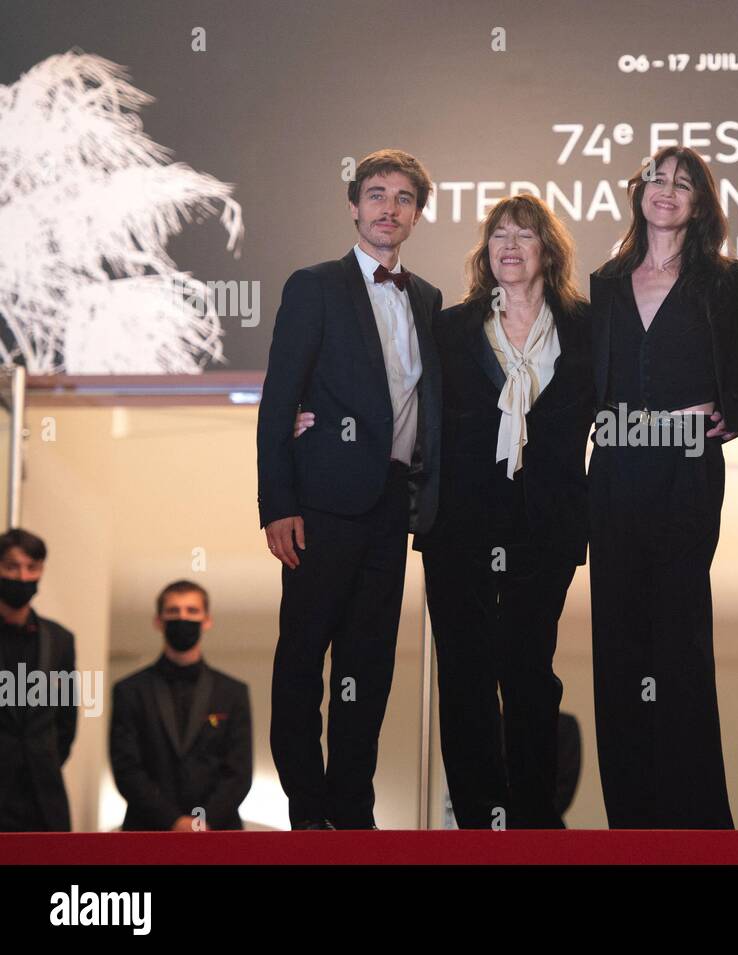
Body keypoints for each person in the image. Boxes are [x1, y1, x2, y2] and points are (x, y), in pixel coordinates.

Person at [353, 193, 589, 829]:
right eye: (499, 236)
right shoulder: (452, 328)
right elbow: (397, 390)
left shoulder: (585, 326)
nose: (509, 246)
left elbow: (629, 397)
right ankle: (482, 822)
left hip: (547, 526)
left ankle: (536, 822)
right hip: (459, 526)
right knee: (464, 673)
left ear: (549, 250)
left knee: (528, 668)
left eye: (524, 235)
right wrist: (315, 416)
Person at [256, 148, 442, 830]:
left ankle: (351, 807)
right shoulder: (315, 285)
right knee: (304, 657)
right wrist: (277, 503)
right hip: (321, 504)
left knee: (370, 664)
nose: (388, 207)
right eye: (376, 194)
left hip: (392, 507)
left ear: (417, 215)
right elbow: (279, 399)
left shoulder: (426, 298)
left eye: (402, 198)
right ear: (354, 205)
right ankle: (307, 808)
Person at [587, 145, 738, 828]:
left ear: (700, 203)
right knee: (617, 641)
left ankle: (697, 823)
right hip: (615, 473)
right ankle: (632, 823)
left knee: (680, 639)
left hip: (686, 469)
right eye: (657, 180)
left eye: (684, 185)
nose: (668, 192)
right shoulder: (601, 282)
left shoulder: (725, 283)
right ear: (638, 193)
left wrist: (727, 413)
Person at [110, 580, 253, 831]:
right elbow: (127, 768)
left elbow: (238, 772)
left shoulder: (233, 692)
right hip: (148, 831)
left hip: (218, 833)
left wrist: (203, 822)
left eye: (192, 611)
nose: (182, 617)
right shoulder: (129, 691)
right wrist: (173, 821)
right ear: (158, 621)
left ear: (207, 620)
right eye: (174, 611)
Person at [0, 529, 76, 832]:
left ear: (41, 571)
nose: (22, 576)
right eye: (11, 566)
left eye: (31, 567)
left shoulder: (60, 639)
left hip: (44, 798)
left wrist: (43, 759)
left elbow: (66, 718)